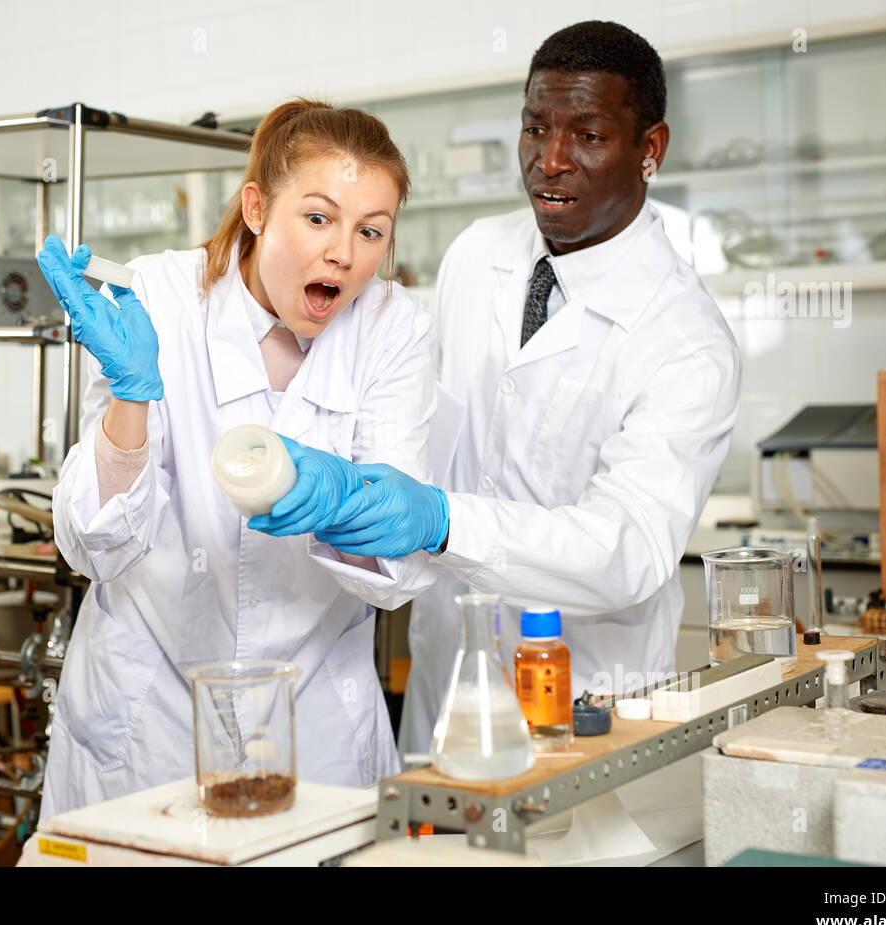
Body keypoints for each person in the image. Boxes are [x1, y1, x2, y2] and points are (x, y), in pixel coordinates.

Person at [307, 21, 742, 754]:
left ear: (651, 150)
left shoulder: (686, 339)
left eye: (589, 136)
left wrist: (443, 521)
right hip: (446, 687)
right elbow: (415, 419)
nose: (551, 160)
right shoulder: (477, 254)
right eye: (535, 128)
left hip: (588, 709)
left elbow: (627, 552)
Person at [36, 99, 443, 817]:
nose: (344, 253)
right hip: (151, 720)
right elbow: (95, 543)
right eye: (318, 218)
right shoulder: (160, 295)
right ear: (256, 207)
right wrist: (134, 391)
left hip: (315, 722)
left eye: (370, 230)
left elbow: (400, 572)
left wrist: (342, 501)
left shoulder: (394, 327)